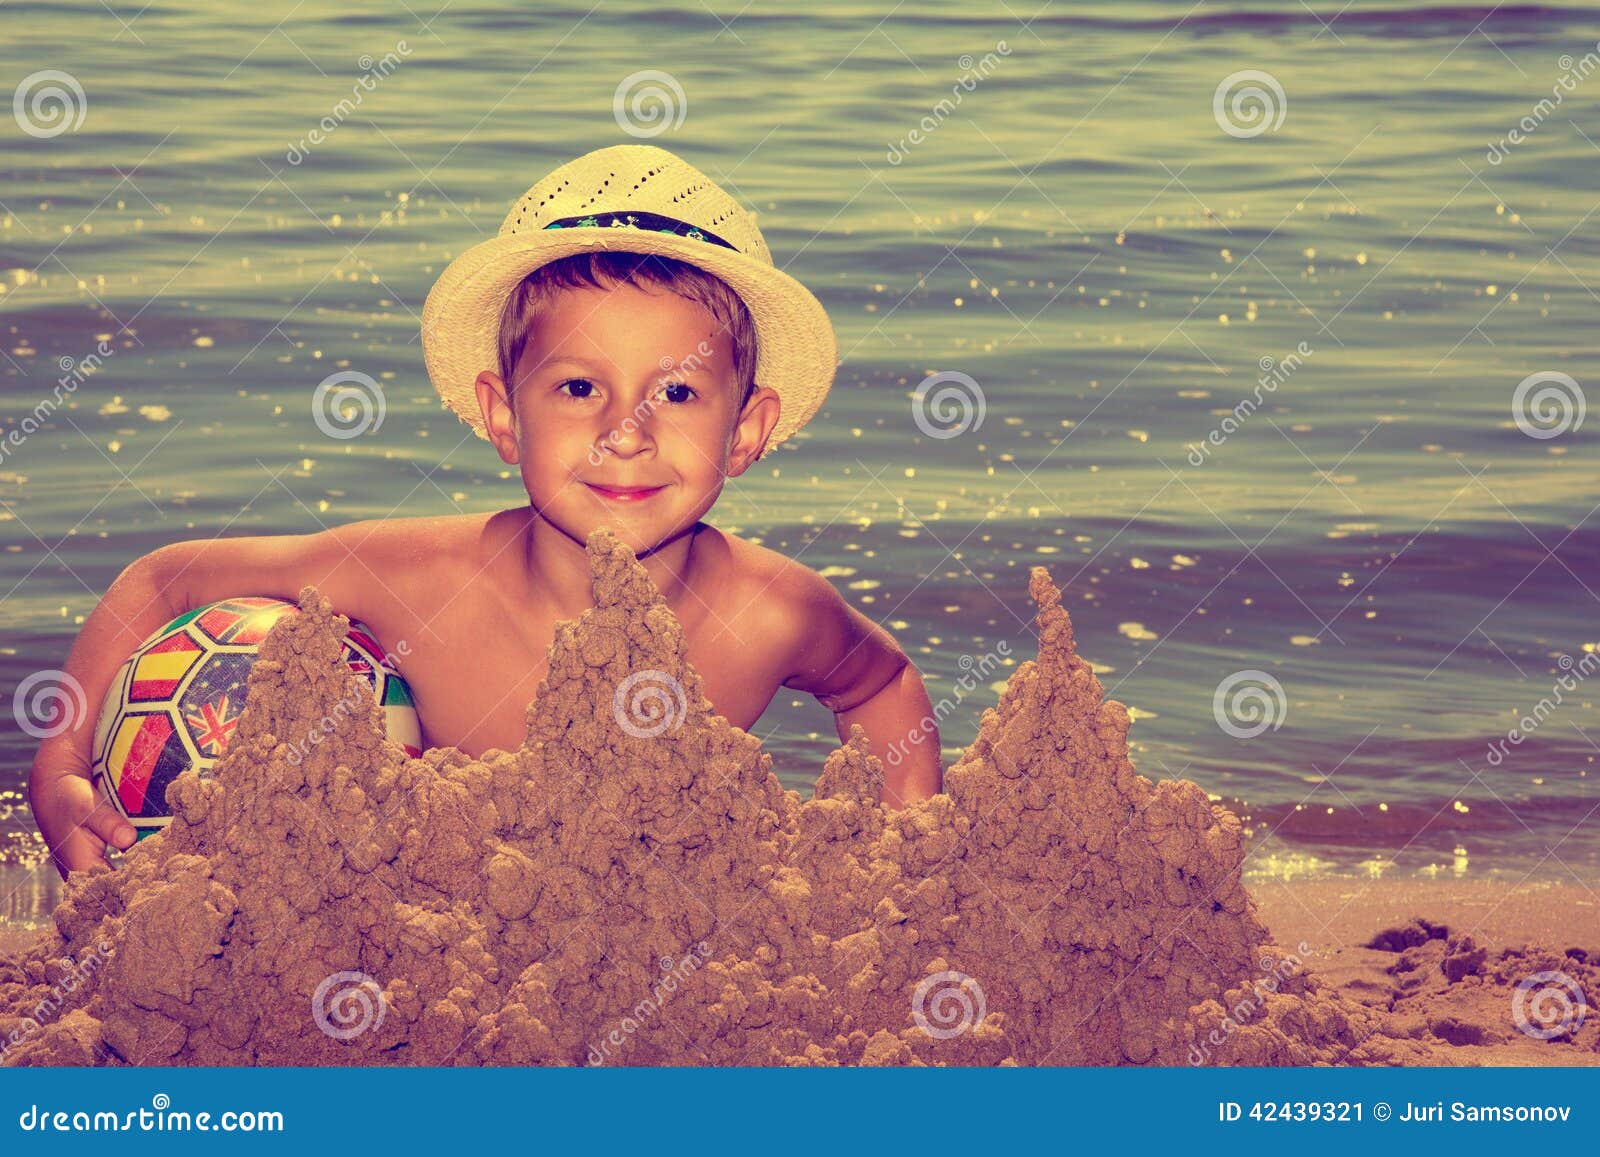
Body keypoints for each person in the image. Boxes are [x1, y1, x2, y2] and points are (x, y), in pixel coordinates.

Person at [28, 143, 943, 879]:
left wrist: (902, 857)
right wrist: (60, 766)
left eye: (676, 393)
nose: (625, 432)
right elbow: (158, 579)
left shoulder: (767, 614)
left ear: (747, 430)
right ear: (505, 415)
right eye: (580, 386)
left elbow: (877, 682)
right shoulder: (423, 585)